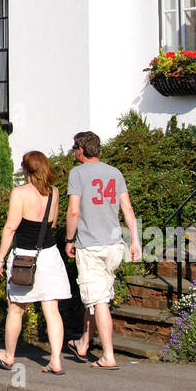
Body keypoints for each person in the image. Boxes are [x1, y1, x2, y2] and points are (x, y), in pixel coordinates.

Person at [64, 130, 142, 369]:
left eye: (75, 149)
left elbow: (74, 212)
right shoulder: (115, 173)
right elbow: (127, 210)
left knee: (98, 301)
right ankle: (84, 343)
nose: (74, 153)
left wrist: (69, 239)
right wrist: (135, 241)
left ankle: (108, 355)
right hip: (114, 245)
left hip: (91, 246)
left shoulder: (77, 174)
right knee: (98, 296)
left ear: (81, 149)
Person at [0, 150, 71, 375]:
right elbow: (53, 223)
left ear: (26, 170)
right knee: (52, 310)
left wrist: (0, 259)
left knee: (16, 309)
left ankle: (8, 355)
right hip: (49, 255)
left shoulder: (19, 193)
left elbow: (10, 227)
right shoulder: (54, 193)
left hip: (24, 258)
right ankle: (55, 360)